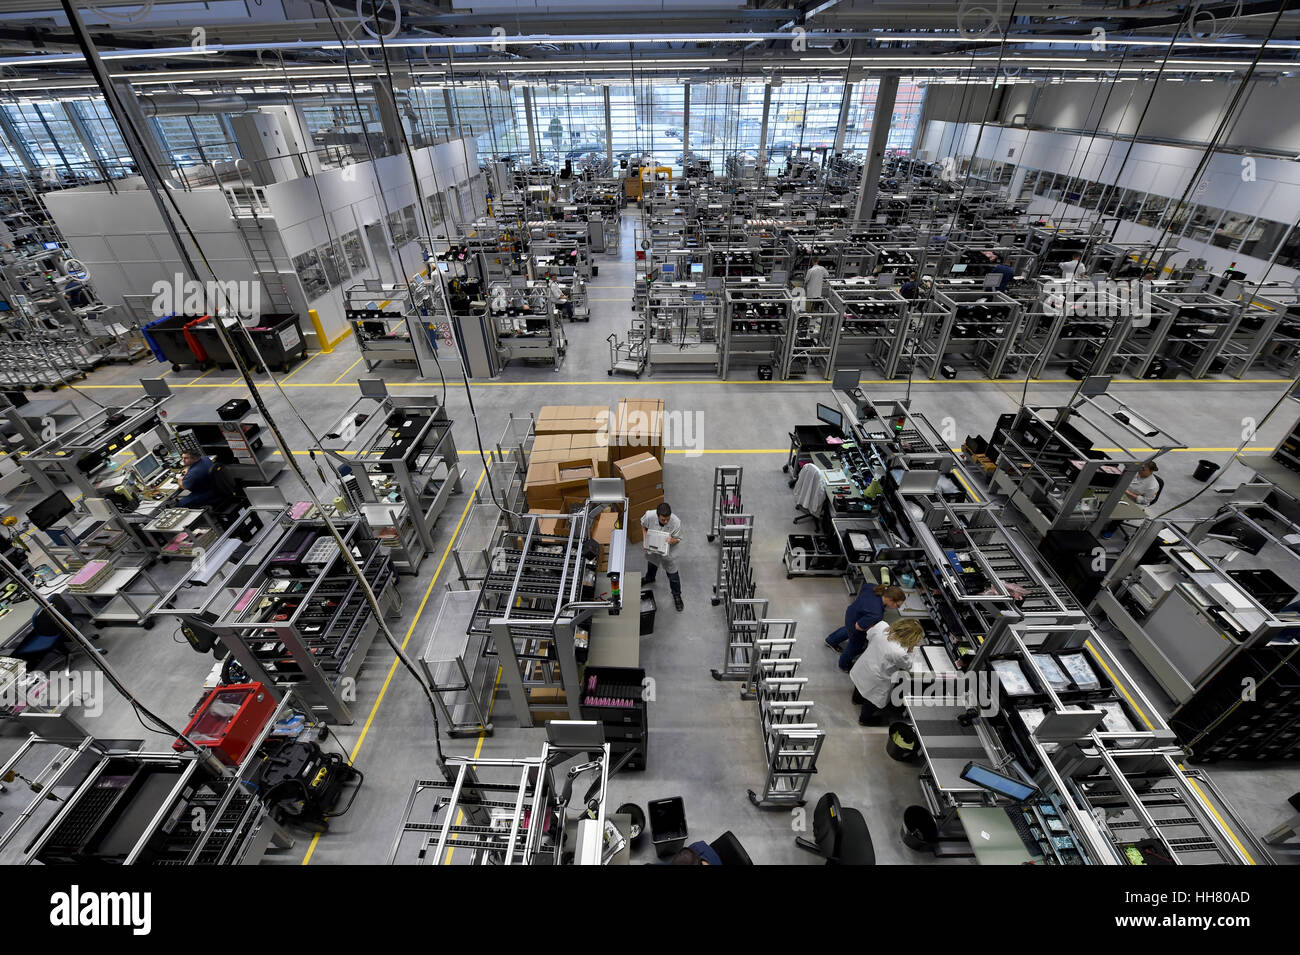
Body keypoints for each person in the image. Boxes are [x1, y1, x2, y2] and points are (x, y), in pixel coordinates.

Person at [850, 618, 925, 725]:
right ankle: (865, 719)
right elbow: (907, 665)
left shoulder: (882, 627)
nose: (917, 643)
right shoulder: (898, 652)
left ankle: (856, 700)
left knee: (860, 684)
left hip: (865, 666)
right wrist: (910, 650)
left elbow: (869, 635)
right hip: (876, 678)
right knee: (871, 699)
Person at [825, 583, 906, 672]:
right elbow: (858, 627)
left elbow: (864, 588)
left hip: (852, 613)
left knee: (847, 629)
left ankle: (830, 640)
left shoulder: (873, 588)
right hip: (856, 625)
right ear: (890, 599)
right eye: (897, 605)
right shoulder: (876, 613)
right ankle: (844, 665)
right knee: (855, 646)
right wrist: (872, 626)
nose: (897, 608)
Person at [642, 501, 684, 611]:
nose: (665, 521)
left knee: (673, 574)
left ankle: (677, 595)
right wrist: (645, 540)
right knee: (652, 563)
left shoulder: (676, 522)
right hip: (653, 546)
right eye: (663, 519)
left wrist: (672, 540)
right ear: (657, 515)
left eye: (667, 519)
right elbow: (644, 526)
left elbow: (678, 539)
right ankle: (650, 578)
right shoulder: (649, 516)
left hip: (669, 551)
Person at [1101, 460, 1160, 539]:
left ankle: (1111, 530)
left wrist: (1128, 493)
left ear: (1151, 471)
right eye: (1140, 468)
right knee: (1103, 497)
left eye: (1143, 469)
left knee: (1122, 510)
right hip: (1122, 494)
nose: (1140, 470)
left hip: (1136, 502)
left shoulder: (1153, 485)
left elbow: (1146, 500)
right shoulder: (1135, 472)